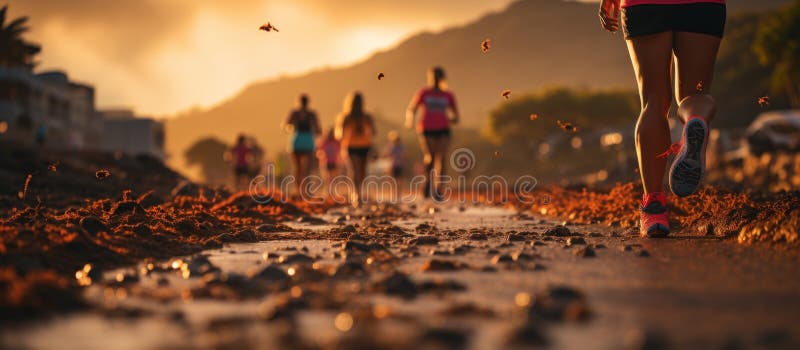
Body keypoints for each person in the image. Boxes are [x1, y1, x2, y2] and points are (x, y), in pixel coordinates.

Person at [599, 0, 725, 237]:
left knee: (653, 102)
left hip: (646, 5)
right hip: (703, 5)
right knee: (695, 95)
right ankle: (695, 119)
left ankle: (654, 207)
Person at [405, 67, 460, 200]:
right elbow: (412, 108)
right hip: (427, 129)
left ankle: (439, 188)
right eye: (433, 77)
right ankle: (428, 183)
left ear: (441, 78)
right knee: (431, 157)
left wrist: (453, 119)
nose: (434, 80)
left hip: (443, 129)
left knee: (442, 157)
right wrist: (410, 120)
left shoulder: (448, 95)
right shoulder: (424, 93)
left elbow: (456, 114)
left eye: (437, 77)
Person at [336, 92, 376, 204]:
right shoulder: (356, 117)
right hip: (359, 146)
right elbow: (374, 132)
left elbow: (339, 134)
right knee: (358, 171)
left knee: (358, 171)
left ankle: (356, 193)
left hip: (356, 146)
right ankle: (356, 194)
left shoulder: (350, 117)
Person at [284, 94, 321, 195]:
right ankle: (307, 191)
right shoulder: (312, 114)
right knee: (307, 169)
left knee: (298, 168)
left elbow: (287, 126)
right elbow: (318, 129)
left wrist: (293, 128)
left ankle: (298, 191)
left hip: (297, 140)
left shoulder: (294, 113)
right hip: (308, 141)